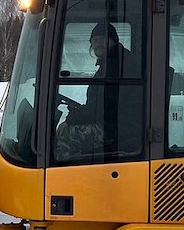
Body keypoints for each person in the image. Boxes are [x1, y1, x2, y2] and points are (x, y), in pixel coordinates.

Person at [56, 21, 140, 161]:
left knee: (65, 136)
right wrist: (78, 112)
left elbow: (103, 105)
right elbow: (101, 103)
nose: (97, 43)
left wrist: (71, 119)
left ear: (112, 40)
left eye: (102, 39)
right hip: (114, 123)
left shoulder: (119, 65)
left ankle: (65, 178)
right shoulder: (112, 61)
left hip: (120, 128)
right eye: (94, 40)